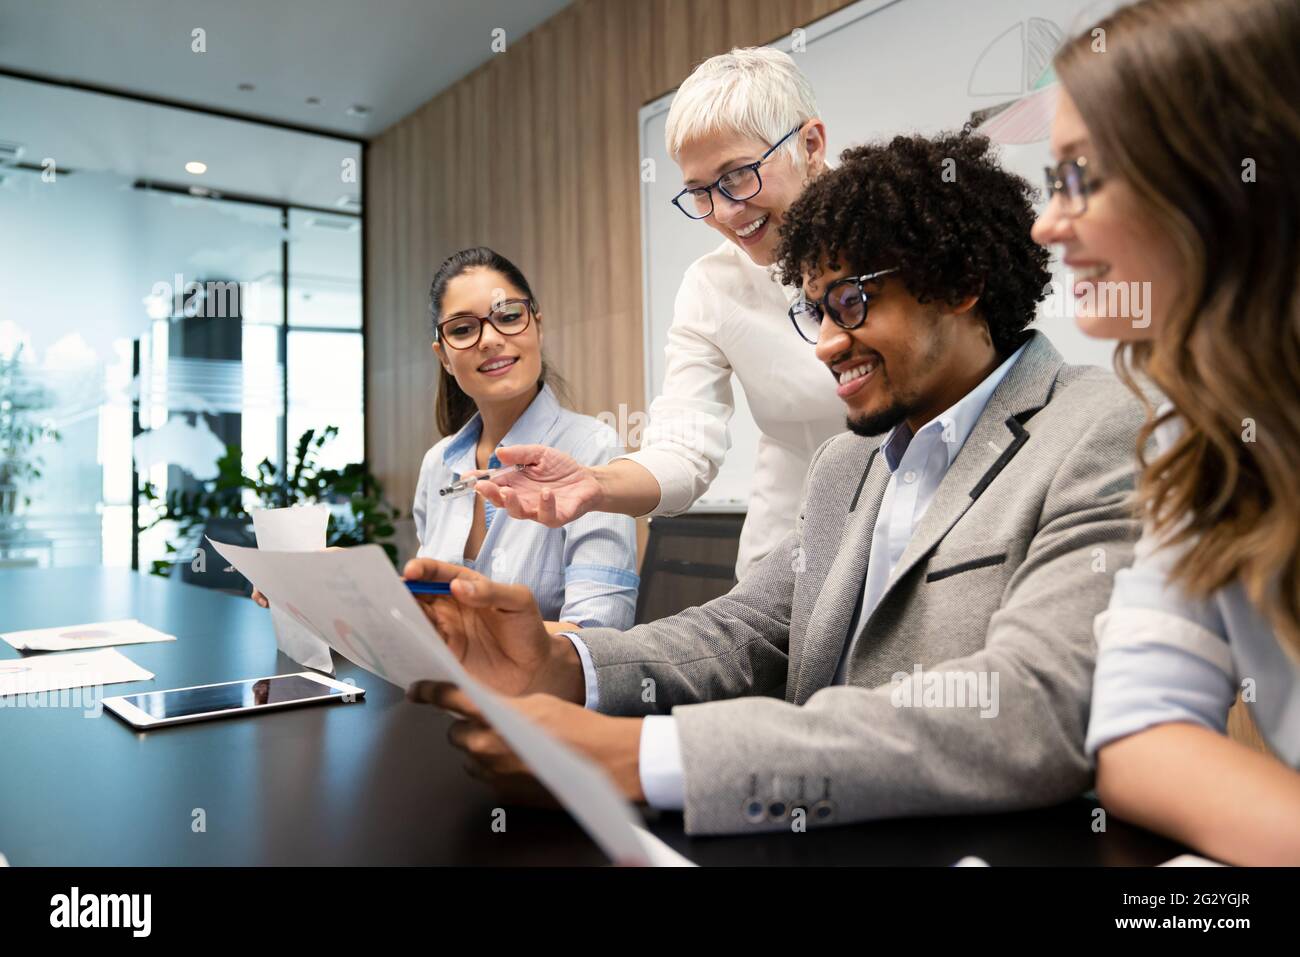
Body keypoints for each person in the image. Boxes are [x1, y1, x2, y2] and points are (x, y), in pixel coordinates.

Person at [403, 132, 1148, 834]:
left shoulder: (1096, 427)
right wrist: (563, 663)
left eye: (852, 301)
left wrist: (640, 757)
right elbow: (743, 631)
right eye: (815, 309)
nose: (825, 344)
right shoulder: (845, 464)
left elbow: (1028, 708)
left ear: (961, 284)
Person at [1032, 0, 1300, 865]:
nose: (1047, 224)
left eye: (1081, 176)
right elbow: (1140, 735)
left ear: (1215, 177)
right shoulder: (1198, 433)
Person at [470, 48, 845, 579]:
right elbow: (684, 446)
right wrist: (594, 485)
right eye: (699, 193)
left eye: (737, 176)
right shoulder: (712, 285)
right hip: (793, 560)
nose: (724, 212)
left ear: (810, 145)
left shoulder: (904, 224)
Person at [255, 247, 640, 632]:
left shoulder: (593, 447)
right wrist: (339, 589)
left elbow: (599, 636)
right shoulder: (438, 463)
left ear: (537, 326)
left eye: (508, 317)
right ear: (443, 356)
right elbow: (431, 617)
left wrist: (453, 623)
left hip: (543, 693)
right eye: (462, 329)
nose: (489, 339)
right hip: (441, 686)